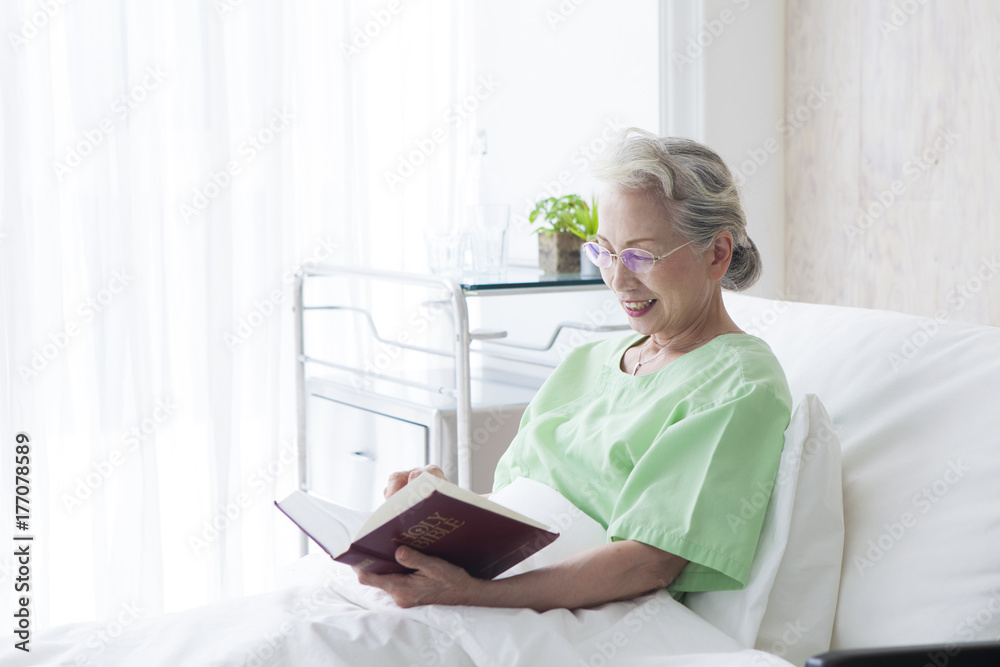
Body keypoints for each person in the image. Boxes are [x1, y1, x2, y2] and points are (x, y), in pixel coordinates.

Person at [358, 128, 792, 612]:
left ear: (717, 254)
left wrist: (477, 595)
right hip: (502, 588)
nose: (618, 279)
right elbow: (519, 509)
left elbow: (649, 561)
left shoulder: (738, 383)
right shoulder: (587, 362)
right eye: (604, 251)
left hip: (585, 616)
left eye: (640, 255)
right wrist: (441, 511)